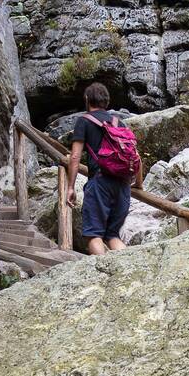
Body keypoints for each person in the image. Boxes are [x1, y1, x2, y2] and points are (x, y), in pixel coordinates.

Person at [66, 81, 143, 256]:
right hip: (123, 185)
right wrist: (138, 184)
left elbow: (75, 157)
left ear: (87, 99)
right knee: (113, 236)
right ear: (106, 101)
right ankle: (125, 271)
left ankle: (103, 278)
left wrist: (70, 187)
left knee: (94, 234)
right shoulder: (119, 123)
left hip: (100, 183)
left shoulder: (84, 121)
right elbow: (136, 157)